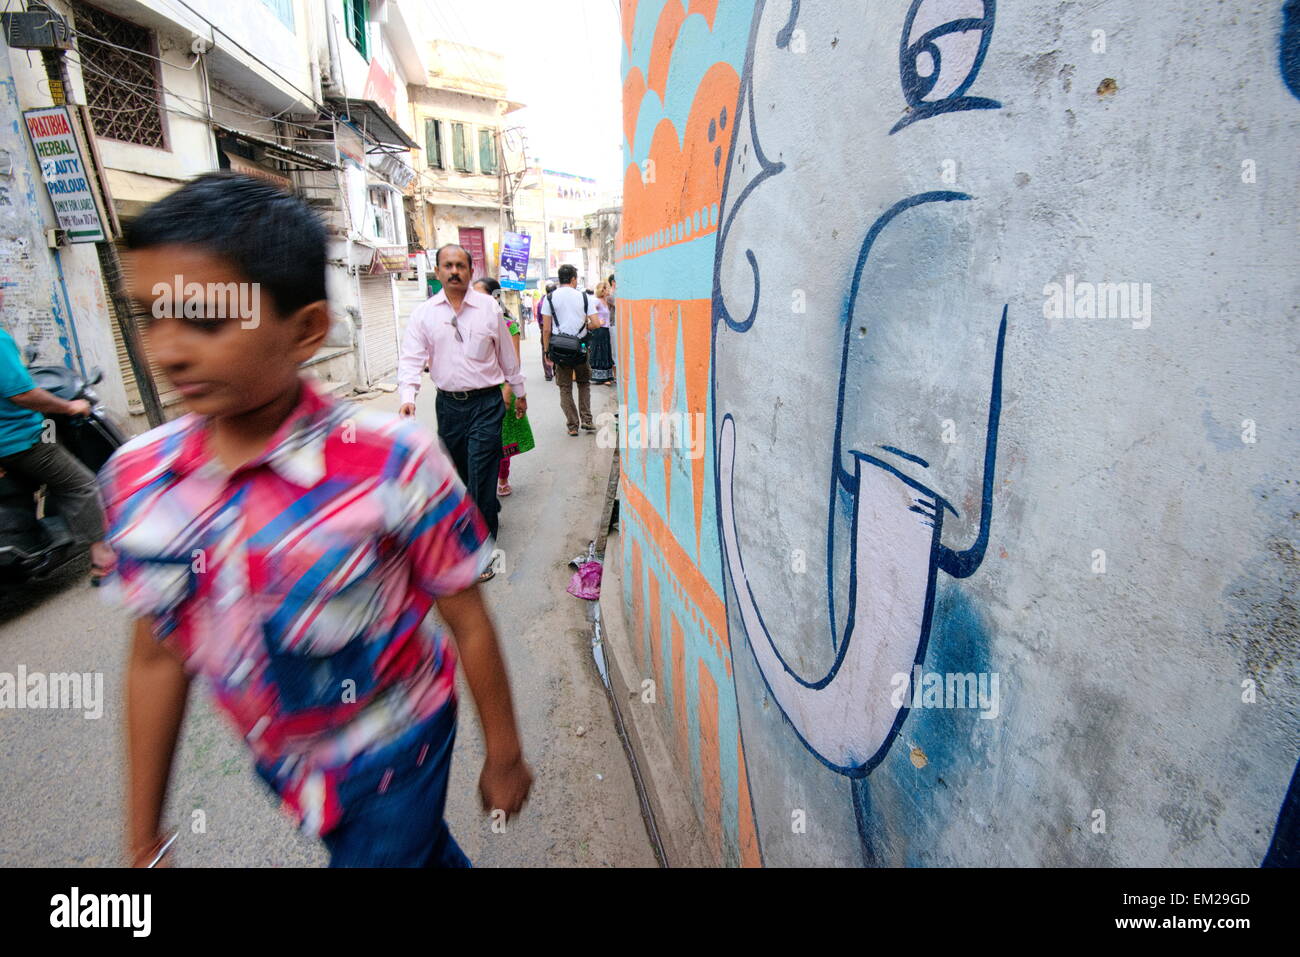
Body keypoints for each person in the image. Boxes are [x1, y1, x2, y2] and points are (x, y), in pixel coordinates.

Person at [104, 173, 532, 868]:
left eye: (207, 319)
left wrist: (504, 752)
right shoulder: (140, 478)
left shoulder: (391, 466)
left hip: (398, 748)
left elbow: (468, 616)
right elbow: (158, 651)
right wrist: (143, 835)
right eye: (150, 315)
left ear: (305, 329)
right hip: (286, 762)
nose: (170, 350)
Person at [398, 244, 527, 577]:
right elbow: (411, 357)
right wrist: (407, 395)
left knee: (482, 471)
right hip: (448, 407)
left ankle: (482, 551)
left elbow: (507, 356)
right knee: (465, 472)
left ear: (470, 271)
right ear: (438, 271)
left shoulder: (489, 309)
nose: (454, 271)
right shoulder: (424, 314)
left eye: (460, 265)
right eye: (448, 266)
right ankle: (485, 506)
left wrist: (519, 391)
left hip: (486, 403)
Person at [0, 288, 114, 583]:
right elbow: (23, 393)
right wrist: (68, 406)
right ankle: (102, 558)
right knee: (81, 484)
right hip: (20, 440)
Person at [472, 278, 534, 498]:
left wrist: (509, 390)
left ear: (494, 297)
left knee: (501, 437)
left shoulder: (509, 325)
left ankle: (502, 478)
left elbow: (513, 362)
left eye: (481, 294)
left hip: (499, 388)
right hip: (475, 390)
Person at [541, 265, 600, 436]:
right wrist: (583, 328)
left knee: (565, 387)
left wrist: (546, 352)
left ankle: (572, 425)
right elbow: (596, 323)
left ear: (560, 279)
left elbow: (546, 329)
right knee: (583, 383)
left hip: (559, 349)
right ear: (574, 279)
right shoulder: (583, 297)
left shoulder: (550, 298)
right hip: (580, 347)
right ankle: (587, 420)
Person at [588, 280, 615, 386]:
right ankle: (600, 377)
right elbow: (588, 312)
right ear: (602, 290)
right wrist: (596, 321)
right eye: (606, 288)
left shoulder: (606, 301)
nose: (608, 290)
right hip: (599, 330)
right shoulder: (597, 301)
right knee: (599, 351)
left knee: (606, 351)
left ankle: (607, 376)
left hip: (605, 330)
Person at [535, 282, 557, 381]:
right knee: (553, 349)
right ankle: (555, 372)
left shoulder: (541, 302)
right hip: (551, 328)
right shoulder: (548, 301)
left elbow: (539, 319)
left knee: (546, 349)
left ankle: (549, 374)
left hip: (545, 328)